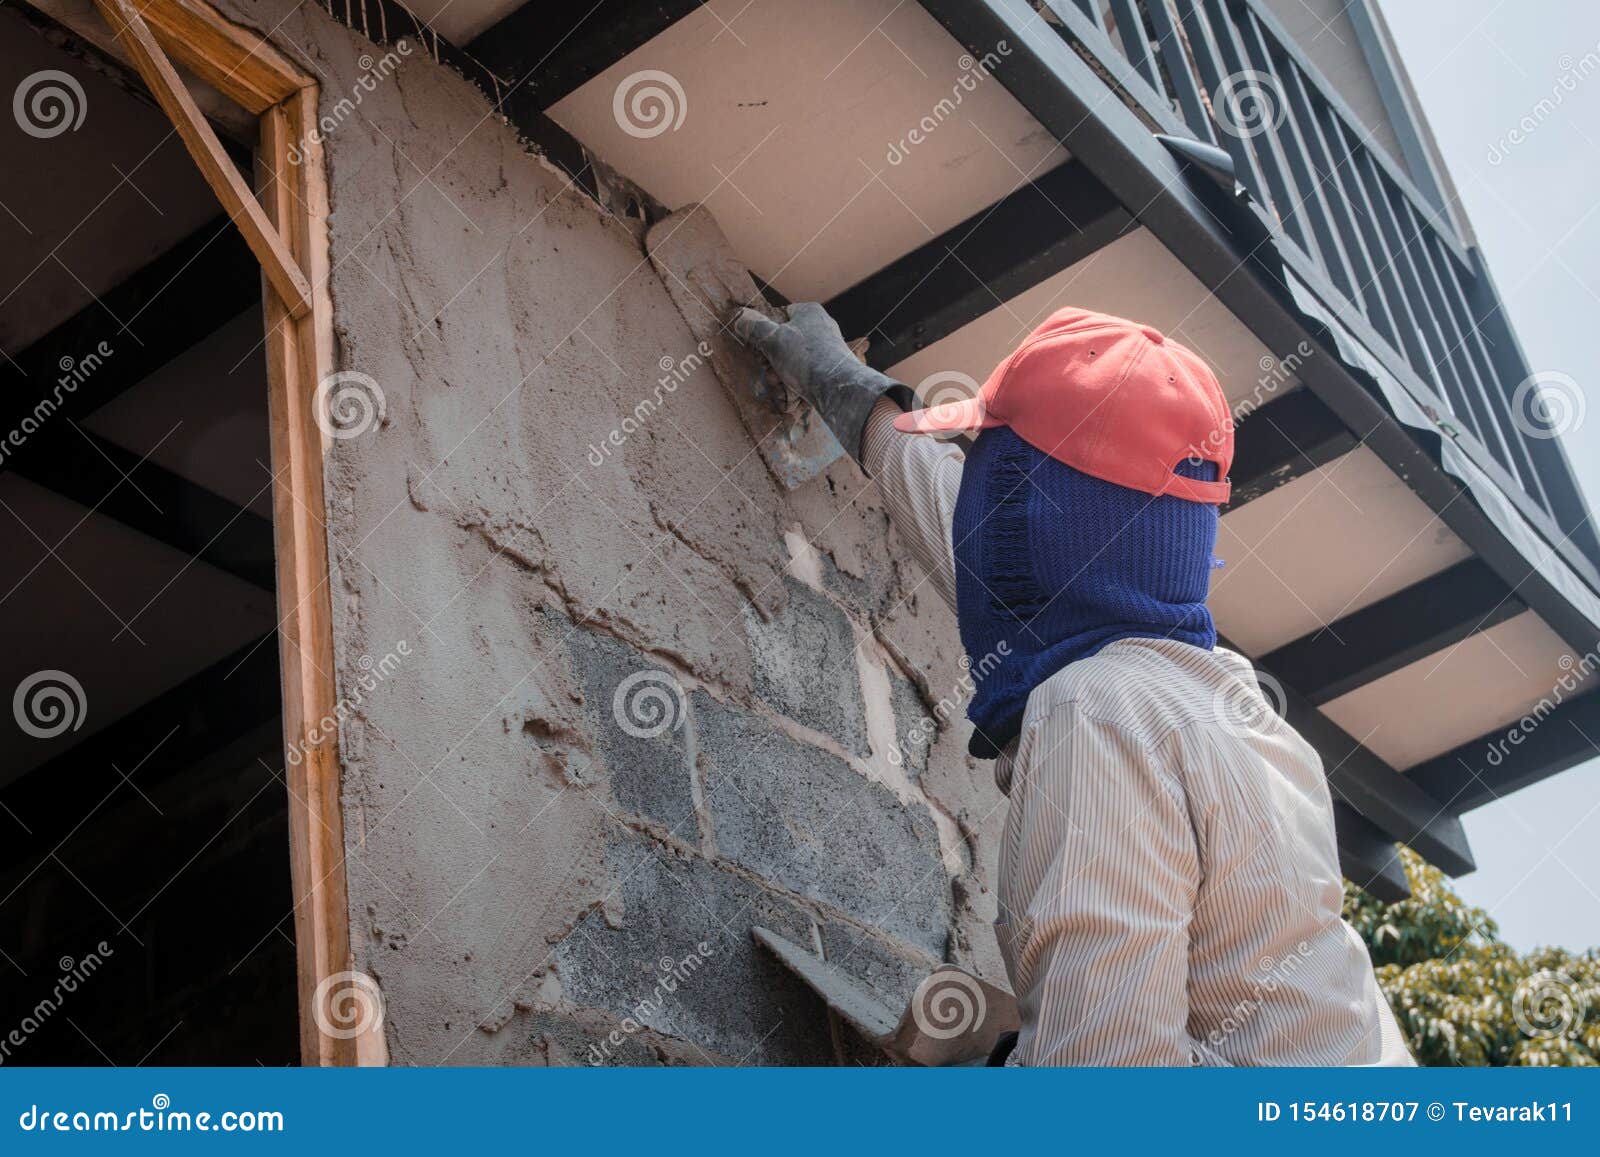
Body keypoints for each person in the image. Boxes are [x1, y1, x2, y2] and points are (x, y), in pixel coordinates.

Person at [734, 302, 1413, 1067]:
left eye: (995, 472)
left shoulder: (1098, 710)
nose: (983, 510)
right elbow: (985, 540)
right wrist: (854, 396)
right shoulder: (1226, 705)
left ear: (1028, 516)